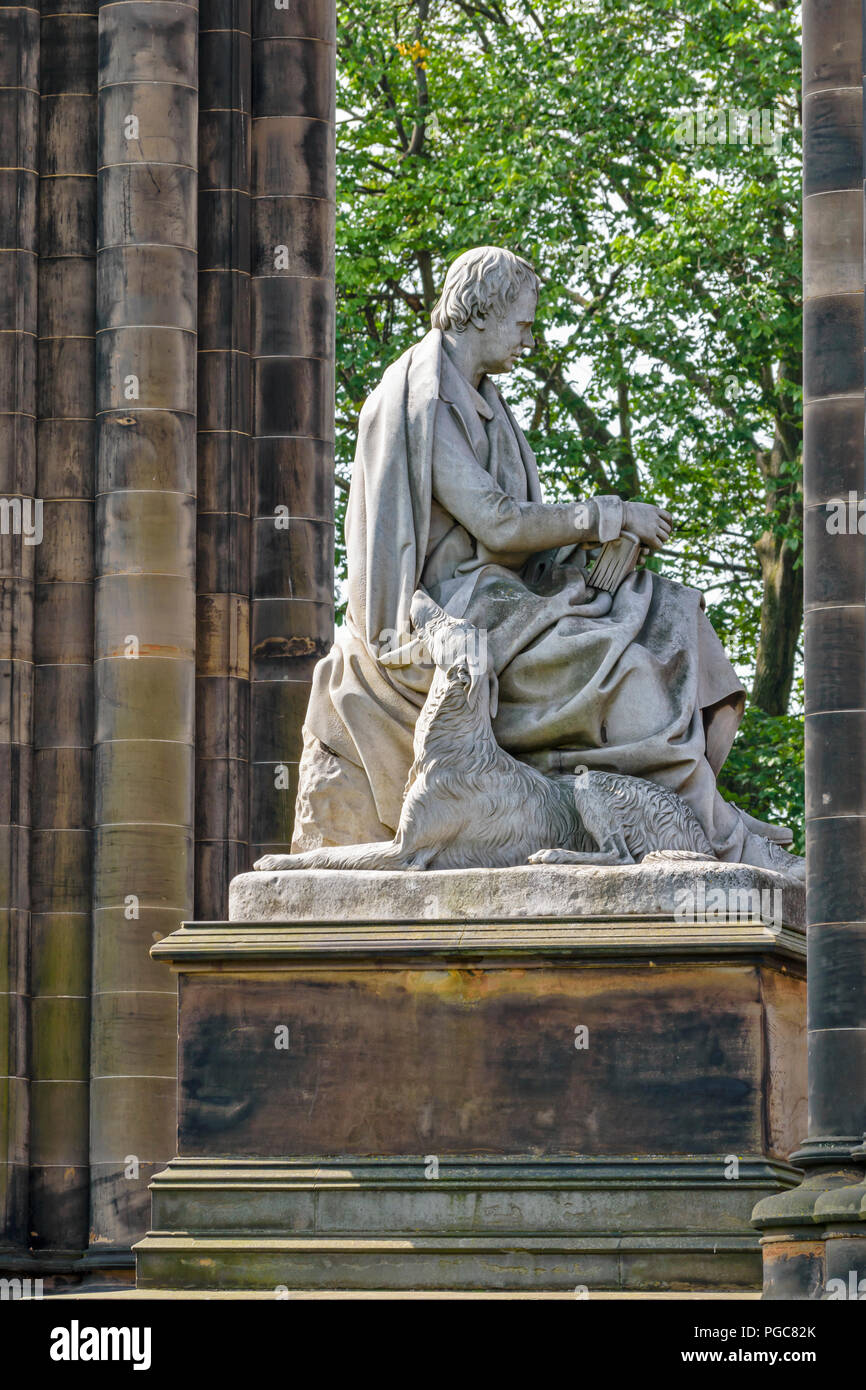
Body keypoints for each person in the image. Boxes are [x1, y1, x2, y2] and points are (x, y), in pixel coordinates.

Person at [292, 245, 801, 876]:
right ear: (481, 313)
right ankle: (716, 836)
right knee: (624, 661)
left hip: (507, 589)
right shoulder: (422, 401)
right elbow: (497, 521)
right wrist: (607, 515)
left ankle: (703, 805)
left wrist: (602, 545)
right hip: (450, 611)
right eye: (524, 324)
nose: (530, 340)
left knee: (669, 607)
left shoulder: (486, 398)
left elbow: (518, 531)